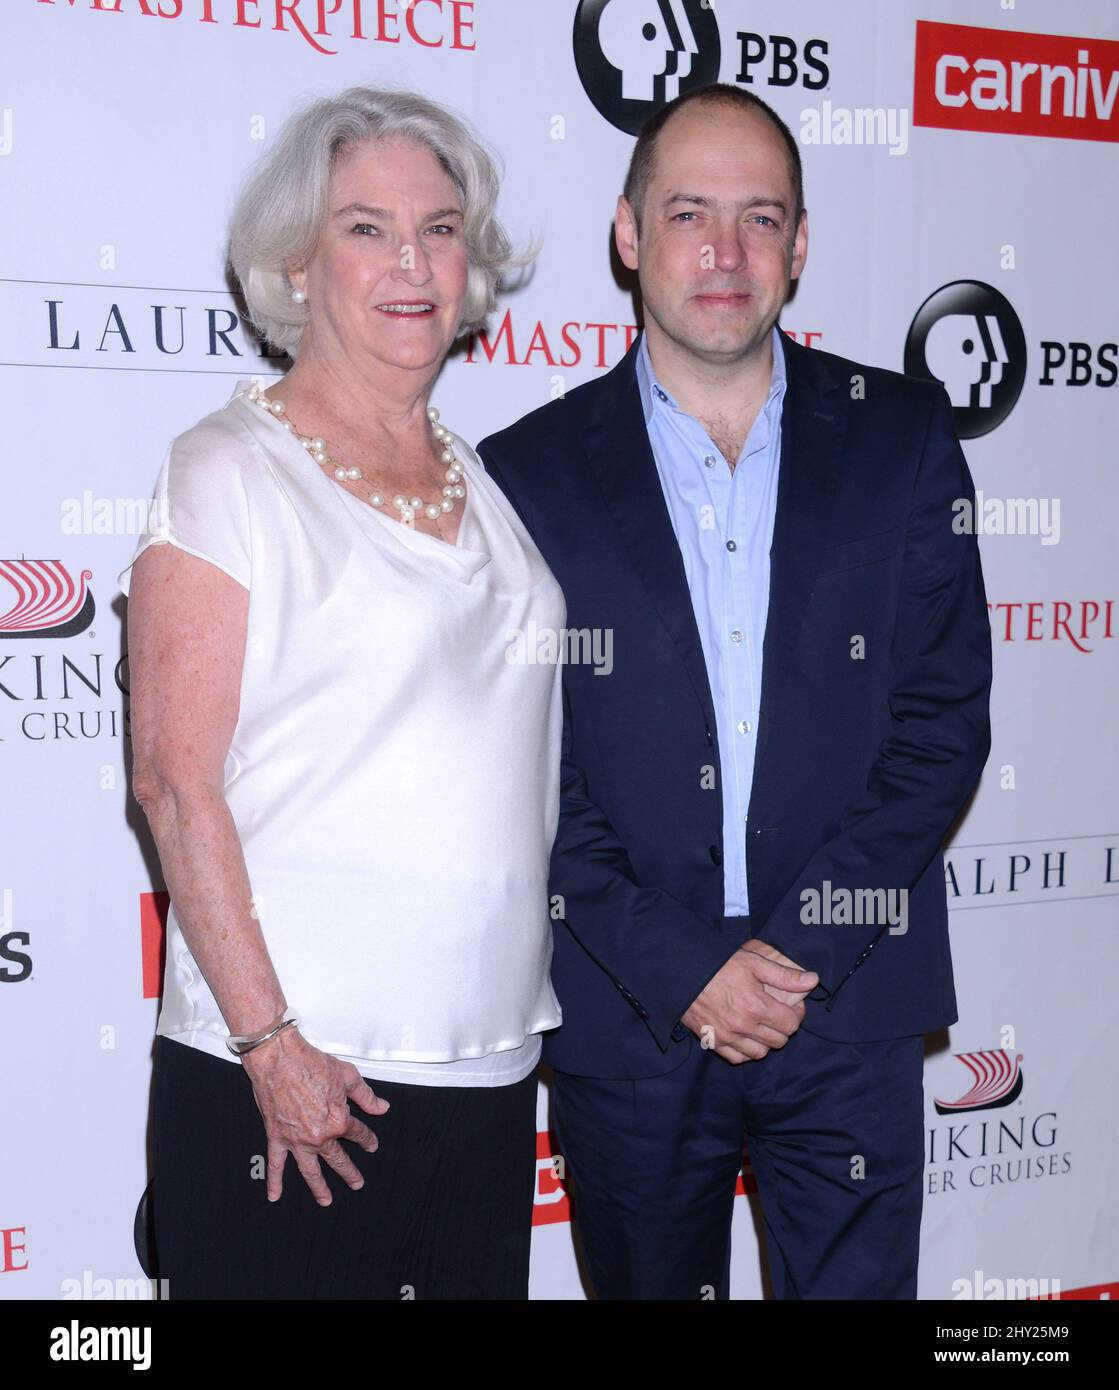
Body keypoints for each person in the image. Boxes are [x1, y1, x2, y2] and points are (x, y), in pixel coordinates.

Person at [477, 83, 992, 1300]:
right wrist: (690, 968)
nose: (725, 252)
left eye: (760, 218)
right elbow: (523, 773)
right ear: (627, 233)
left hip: (851, 1007)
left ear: (800, 246)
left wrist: (790, 953)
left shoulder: (905, 438)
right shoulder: (524, 476)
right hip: (634, 1015)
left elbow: (941, 728)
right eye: (689, 213)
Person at [119, 86, 564, 1300]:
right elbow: (172, 775)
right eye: (367, 227)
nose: (412, 261)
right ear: (298, 262)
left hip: (484, 1071)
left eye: (439, 226)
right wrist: (271, 1045)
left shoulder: (486, 481)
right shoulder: (226, 472)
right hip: (295, 1083)